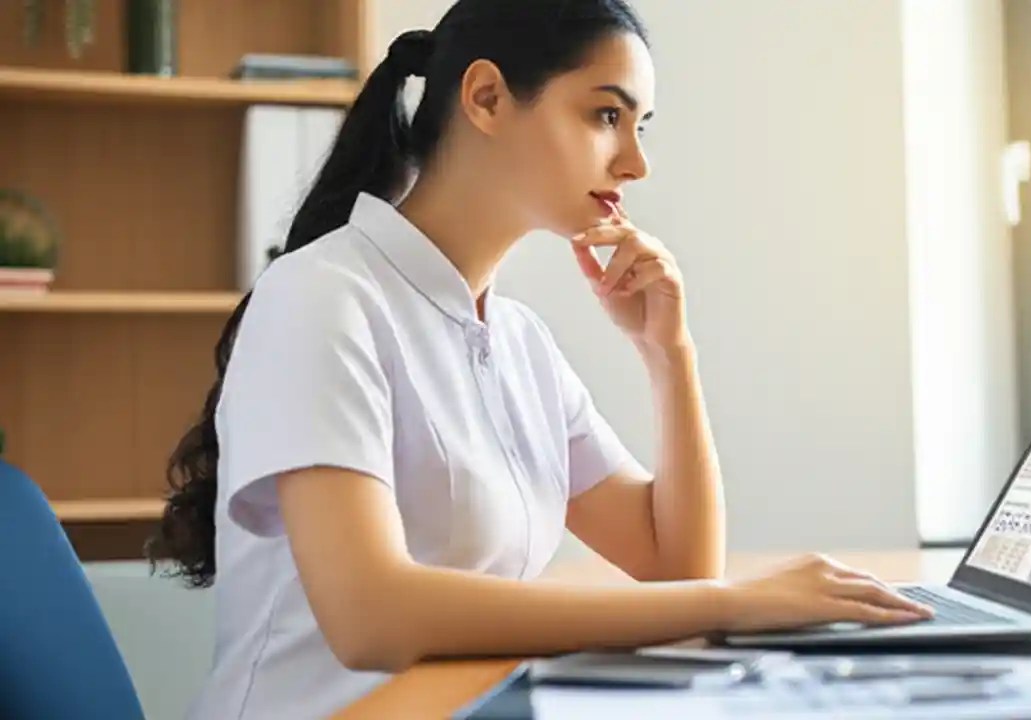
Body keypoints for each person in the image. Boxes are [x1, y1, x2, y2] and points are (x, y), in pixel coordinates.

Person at [152, 1, 933, 717]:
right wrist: (734, 604)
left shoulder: (515, 339)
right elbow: (370, 618)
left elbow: (675, 564)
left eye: (640, 125)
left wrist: (669, 352)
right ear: (486, 98)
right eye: (605, 115)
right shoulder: (322, 297)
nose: (635, 163)